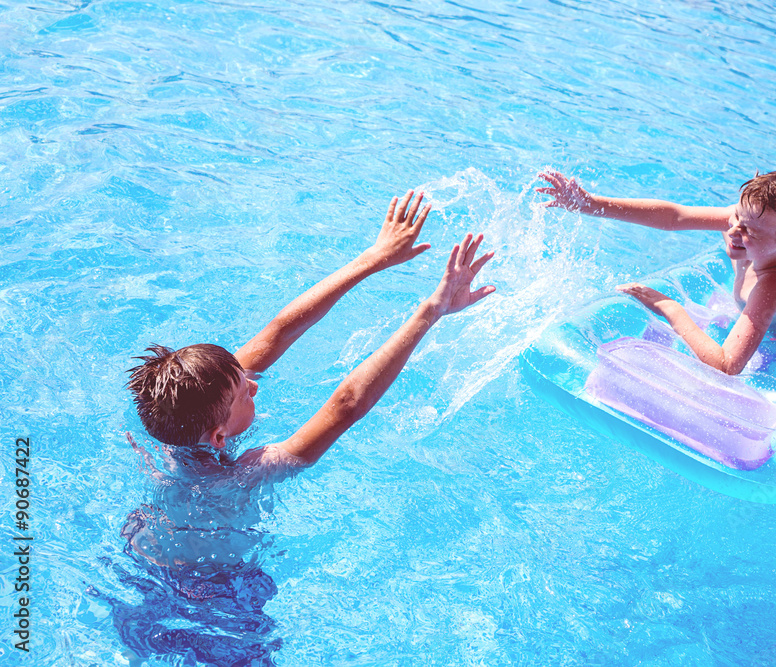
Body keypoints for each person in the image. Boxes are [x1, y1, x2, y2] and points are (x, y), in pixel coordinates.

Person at [110, 190, 495, 666]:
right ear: (218, 436)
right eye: (242, 393)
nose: (253, 384)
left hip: (140, 560)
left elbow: (276, 332)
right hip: (214, 597)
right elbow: (346, 405)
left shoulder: (173, 424)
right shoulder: (241, 475)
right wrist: (430, 310)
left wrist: (373, 259)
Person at [537, 168, 776, 375]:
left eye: (750, 231)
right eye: (736, 217)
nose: (733, 231)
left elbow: (727, 365)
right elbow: (675, 217)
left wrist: (671, 308)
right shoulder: (745, 221)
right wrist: (591, 203)